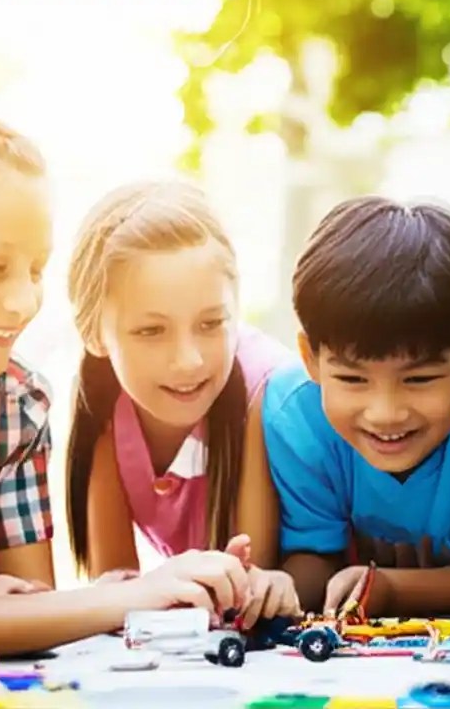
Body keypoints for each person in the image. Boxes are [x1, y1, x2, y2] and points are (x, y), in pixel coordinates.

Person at [0, 110, 254, 654]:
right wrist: (138, 594)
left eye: (36, 269)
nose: (24, 301)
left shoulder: (17, 407)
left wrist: (9, 599)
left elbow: (38, 602)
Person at [264, 196, 450, 617]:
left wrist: (394, 590)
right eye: (352, 379)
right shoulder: (294, 414)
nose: (385, 412)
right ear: (310, 357)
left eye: (419, 379)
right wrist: (275, 587)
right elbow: (314, 552)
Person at [65, 179, 301, 626]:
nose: (189, 360)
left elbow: (249, 583)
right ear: (94, 332)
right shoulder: (103, 398)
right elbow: (113, 587)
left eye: (211, 323)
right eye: (152, 331)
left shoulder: (264, 390)